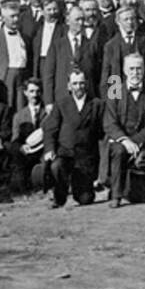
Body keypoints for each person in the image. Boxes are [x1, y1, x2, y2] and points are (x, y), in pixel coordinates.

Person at [103, 54, 145, 208]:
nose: (135, 73)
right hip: (120, 141)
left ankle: (135, 187)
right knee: (118, 151)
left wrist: (136, 142)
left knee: (137, 197)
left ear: (144, 70)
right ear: (124, 70)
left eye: (139, 69)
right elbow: (109, 122)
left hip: (142, 143)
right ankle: (116, 195)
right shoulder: (114, 90)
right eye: (131, 69)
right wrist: (125, 140)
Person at [42, 67, 104, 207]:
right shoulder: (61, 103)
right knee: (56, 166)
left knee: (85, 199)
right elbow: (50, 129)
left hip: (86, 157)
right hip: (65, 153)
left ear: (86, 84)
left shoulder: (96, 104)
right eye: (75, 83)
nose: (79, 87)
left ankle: (81, 189)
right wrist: (49, 149)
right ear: (69, 86)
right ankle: (59, 196)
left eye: (81, 83)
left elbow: (102, 133)